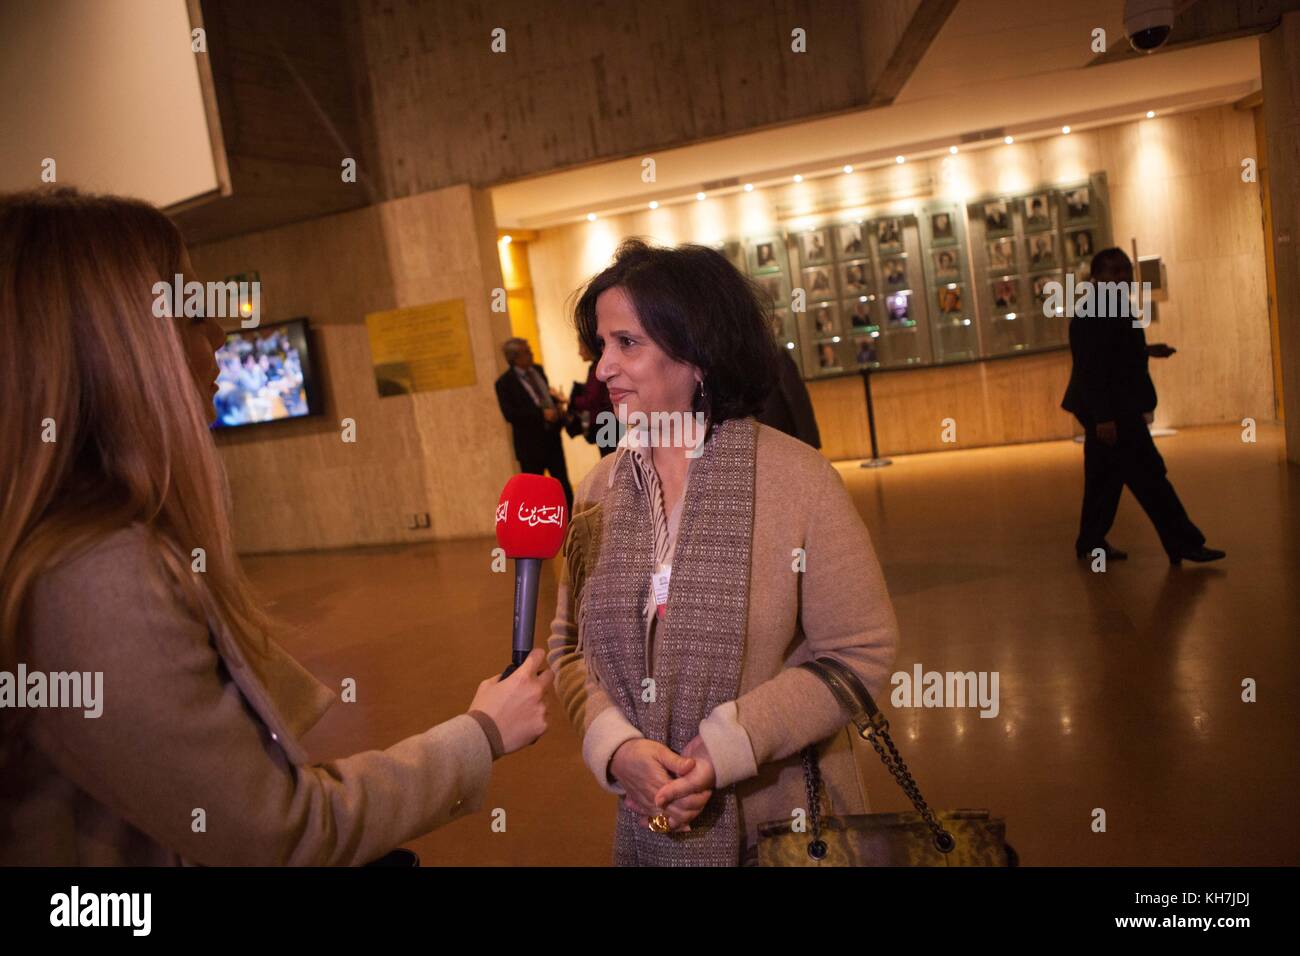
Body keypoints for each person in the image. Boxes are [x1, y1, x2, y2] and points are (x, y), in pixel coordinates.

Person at [0, 188, 553, 865]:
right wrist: (481, 733)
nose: (221, 338)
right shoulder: (96, 575)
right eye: (193, 312)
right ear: (119, 350)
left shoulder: (90, 550)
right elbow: (279, 833)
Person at [548, 239, 899, 866]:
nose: (602, 369)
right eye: (601, 346)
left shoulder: (797, 480)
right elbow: (569, 648)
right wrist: (617, 748)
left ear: (699, 356)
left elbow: (859, 655)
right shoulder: (597, 492)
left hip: (785, 822)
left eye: (627, 343)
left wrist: (726, 746)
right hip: (644, 829)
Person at [1061, 247, 1225, 565]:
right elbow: (1091, 369)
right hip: (1113, 412)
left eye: (1126, 270)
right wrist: (1104, 418)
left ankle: (1091, 541)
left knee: (1104, 479)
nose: (1123, 276)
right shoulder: (1096, 310)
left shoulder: (1110, 305)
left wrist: (1147, 350)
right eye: (1114, 272)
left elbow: (1111, 354)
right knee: (1151, 478)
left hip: (1109, 409)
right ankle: (1184, 542)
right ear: (1097, 277)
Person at [494, 337, 575, 512]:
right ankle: (540, 528)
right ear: (514, 357)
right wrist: (542, 414)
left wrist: (556, 404)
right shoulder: (504, 384)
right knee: (534, 491)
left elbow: (543, 396)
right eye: (527, 351)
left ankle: (570, 522)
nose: (531, 354)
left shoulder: (538, 370)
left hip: (552, 439)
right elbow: (510, 414)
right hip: (529, 446)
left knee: (562, 484)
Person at [570, 337, 616, 457]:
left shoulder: (597, 368)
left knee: (609, 460)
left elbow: (592, 400)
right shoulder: (596, 366)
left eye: (581, 347)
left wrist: (573, 401)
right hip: (609, 420)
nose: (579, 352)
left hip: (606, 422)